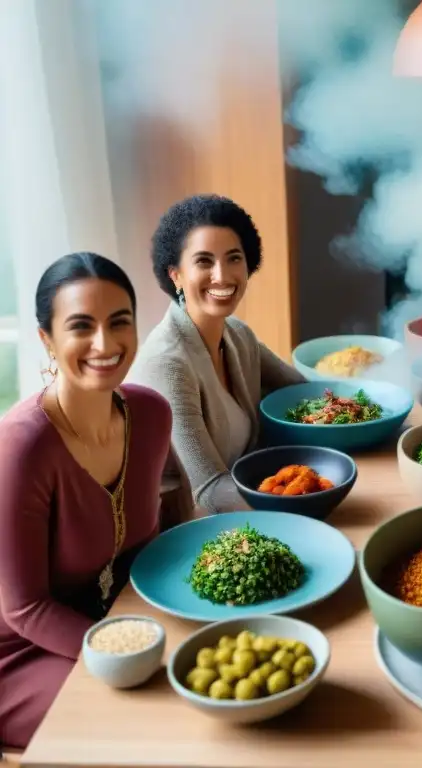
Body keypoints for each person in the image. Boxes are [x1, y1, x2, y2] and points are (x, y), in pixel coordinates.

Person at [0, 253, 176, 750]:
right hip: (16, 650)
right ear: (47, 340)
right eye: (81, 326)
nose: (104, 343)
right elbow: (25, 608)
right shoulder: (22, 446)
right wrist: (127, 646)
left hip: (104, 619)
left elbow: (145, 547)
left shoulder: (150, 413)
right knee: (137, 725)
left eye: (119, 322)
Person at [128, 194, 305, 514]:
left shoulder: (237, 333)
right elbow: (208, 490)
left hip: (250, 507)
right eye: (204, 261)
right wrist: (310, 500)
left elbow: (302, 395)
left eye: (234, 258)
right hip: (189, 529)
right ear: (175, 274)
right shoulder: (166, 364)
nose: (222, 276)